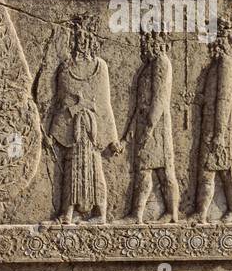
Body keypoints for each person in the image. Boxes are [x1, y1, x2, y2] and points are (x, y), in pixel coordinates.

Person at [47, 18, 120, 225]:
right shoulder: (65, 68)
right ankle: (68, 212)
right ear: (74, 40)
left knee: (96, 169)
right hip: (73, 130)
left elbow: (105, 104)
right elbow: (60, 103)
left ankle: (101, 213)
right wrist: (54, 131)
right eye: (79, 37)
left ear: (93, 40)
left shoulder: (100, 67)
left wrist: (112, 138)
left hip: (92, 132)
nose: (83, 42)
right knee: (70, 170)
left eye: (87, 38)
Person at [123, 28, 179, 224]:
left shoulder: (162, 63)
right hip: (145, 124)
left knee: (165, 171)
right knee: (144, 170)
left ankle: (172, 212)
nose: (142, 47)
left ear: (155, 44)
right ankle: (136, 215)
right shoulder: (148, 67)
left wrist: (148, 128)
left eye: (145, 44)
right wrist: (129, 132)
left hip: (157, 127)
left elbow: (159, 100)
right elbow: (139, 105)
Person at [194, 21, 232, 223]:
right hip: (212, 126)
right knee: (213, 171)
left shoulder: (227, 65)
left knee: (226, 172)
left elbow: (225, 99)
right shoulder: (215, 66)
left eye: (211, 41)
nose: (208, 45)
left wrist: (220, 134)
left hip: (222, 128)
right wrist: (199, 98)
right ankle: (203, 213)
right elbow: (212, 97)